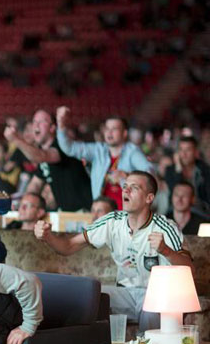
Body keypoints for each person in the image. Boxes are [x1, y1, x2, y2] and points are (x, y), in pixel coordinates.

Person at [34, 171, 192, 332]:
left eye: (134, 187)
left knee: (151, 305)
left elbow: (189, 269)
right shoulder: (112, 221)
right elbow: (68, 246)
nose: (126, 191)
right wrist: (48, 237)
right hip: (124, 294)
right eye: (124, 186)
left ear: (149, 198)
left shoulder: (165, 227)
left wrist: (166, 251)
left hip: (156, 293)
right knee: (88, 296)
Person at [56, 107, 153, 210]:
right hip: (103, 214)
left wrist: (128, 176)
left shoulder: (132, 152)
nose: (109, 132)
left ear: (124, 133)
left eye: (114, 129)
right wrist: (61, 126)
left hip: (126, 214)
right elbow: (70, 148)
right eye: (107, 129)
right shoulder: (98, 150)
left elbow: (150, 172)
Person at [5, 110, 92, 211]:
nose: (36, 125)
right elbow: (35, 185)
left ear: (52, 128)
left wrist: (16, 139)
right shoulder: (43, 155)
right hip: (66, 214)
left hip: (84, 212)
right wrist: (20, 203)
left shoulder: (61, 145)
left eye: (42, 122)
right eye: (34, 121)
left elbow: (41, 156)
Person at [163, 136, 210, 216]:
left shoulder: (205, 170)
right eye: (181, 149)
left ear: (195, 152)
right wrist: (178, 168)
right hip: (176, 209)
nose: (184, 154)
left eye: (188, 150)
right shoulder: (170, 170)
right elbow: (176, 190)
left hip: (201, 209)